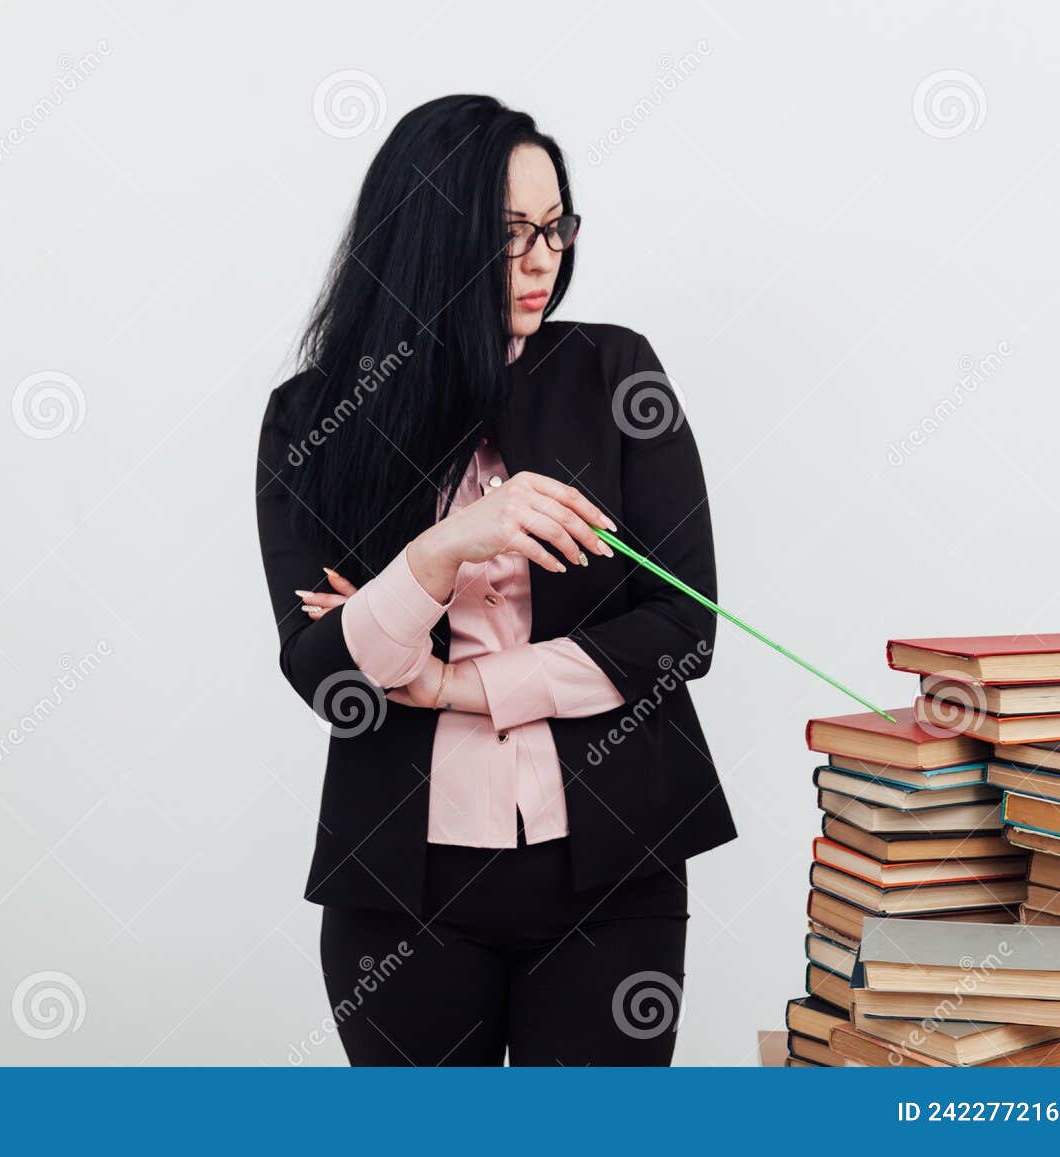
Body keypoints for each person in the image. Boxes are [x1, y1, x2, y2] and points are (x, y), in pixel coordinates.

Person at [255, 94, 735, 1065]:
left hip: (612, 880)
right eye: (509, 231)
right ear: (430, 232)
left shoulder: (615, 373)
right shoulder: (315, 417)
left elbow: (683, 625)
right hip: (400, 896)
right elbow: (328, 674)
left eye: (555, 228)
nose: (541, 258)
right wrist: (439, 552)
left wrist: (448, 684)